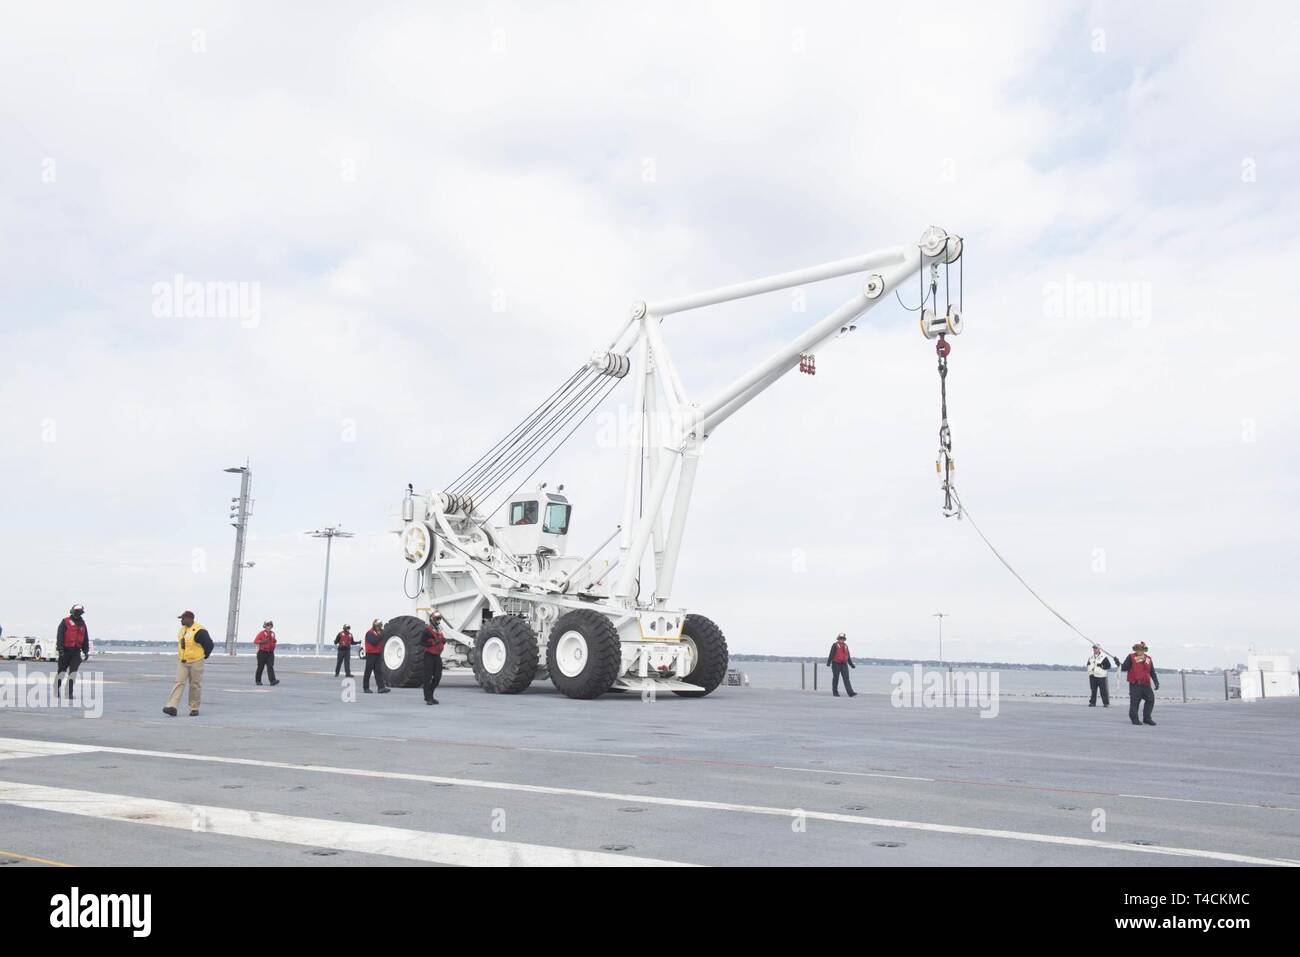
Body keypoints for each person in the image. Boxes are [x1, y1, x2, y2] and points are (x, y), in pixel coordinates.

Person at [164, 610, 213, 717]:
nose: (181, 620)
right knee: (178, 682)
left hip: (196, 661)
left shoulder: (200, 630)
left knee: (195, 685)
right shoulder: (182, 630)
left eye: (183, 618)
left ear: (190, 619)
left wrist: (205, 656)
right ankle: (172, 706)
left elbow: (209, 644)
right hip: (183, 661)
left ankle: (194, 708)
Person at [55, 604, 91, 701]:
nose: (79, 613)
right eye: (77, 611)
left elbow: (85, 639)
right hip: (65, 651)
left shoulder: (83, 624)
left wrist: (86, 651)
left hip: (76, 652)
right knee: (62, 671)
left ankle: (69, 693)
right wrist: (60, 649)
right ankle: (56, 688)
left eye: (80, 612)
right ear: (73, 611)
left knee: (73, 672)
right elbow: (60, 636)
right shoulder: (65, 621)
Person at [1121, 641, 1159, 726]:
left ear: (1144, 650)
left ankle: (1147, 718)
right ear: (1135, 649)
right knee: (1135, 702)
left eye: (1142, 649)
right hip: (1135, 685)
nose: (1140, 651)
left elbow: (1152, 671)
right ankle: (1134, 719)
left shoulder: (1148, 659)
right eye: (1138, 649)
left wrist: (1156, 682)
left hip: (1146, 684)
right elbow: (1124, 668)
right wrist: (1118, 663)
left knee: (1151, 699)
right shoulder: (1131, 657)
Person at [423, 613, 446, 705]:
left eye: (439, 619)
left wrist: (443, 640)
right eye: (437, 619)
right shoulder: (427, 630)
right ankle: (428, 697)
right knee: (427, 677)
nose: (438, 621)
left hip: (437, 656)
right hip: (429, 655)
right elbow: (422, 642)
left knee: (437, 676)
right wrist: (433, 642)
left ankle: (430, 694)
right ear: (432, 619)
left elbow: (442, 639)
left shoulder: (439, 629)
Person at [826, 632, 857, 698]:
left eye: (843, 639)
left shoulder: (846, 646)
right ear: (838, 639)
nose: (842, 640)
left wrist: (851, 665)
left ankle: (850, 692)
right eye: (840, 638)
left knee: (846, 678)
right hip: (836, 664)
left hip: (844, 664)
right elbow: (831, 654)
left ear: (844, 639)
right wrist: (829, 662)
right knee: (836, 678)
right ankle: (835, 692)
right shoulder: (835, 645)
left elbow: (848, 656)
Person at [363, 618, 389, 694]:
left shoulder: (379, 633)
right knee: (368, 671)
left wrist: (382, 634)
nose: (379, 627)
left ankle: (381, 687)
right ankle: (366, 687)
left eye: (380, 626)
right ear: (374, 625)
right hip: (371, 654)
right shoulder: (369, 633)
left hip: (378, 653)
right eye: (378, 626)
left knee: (378, 671)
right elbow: (374, 642)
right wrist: (381, 635)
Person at [254, 619, 279, 686]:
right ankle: (258, 681)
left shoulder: (273, 633)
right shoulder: (261, 633)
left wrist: (274, 642)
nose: (269, 626)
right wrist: (262, 642)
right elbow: (255, 641)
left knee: (270, 666)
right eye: (268, 625)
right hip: (262, 653)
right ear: (265, 626)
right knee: (260, 667)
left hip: (270, 653)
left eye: (270, 625)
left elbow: (273, 641)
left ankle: (273, 681)